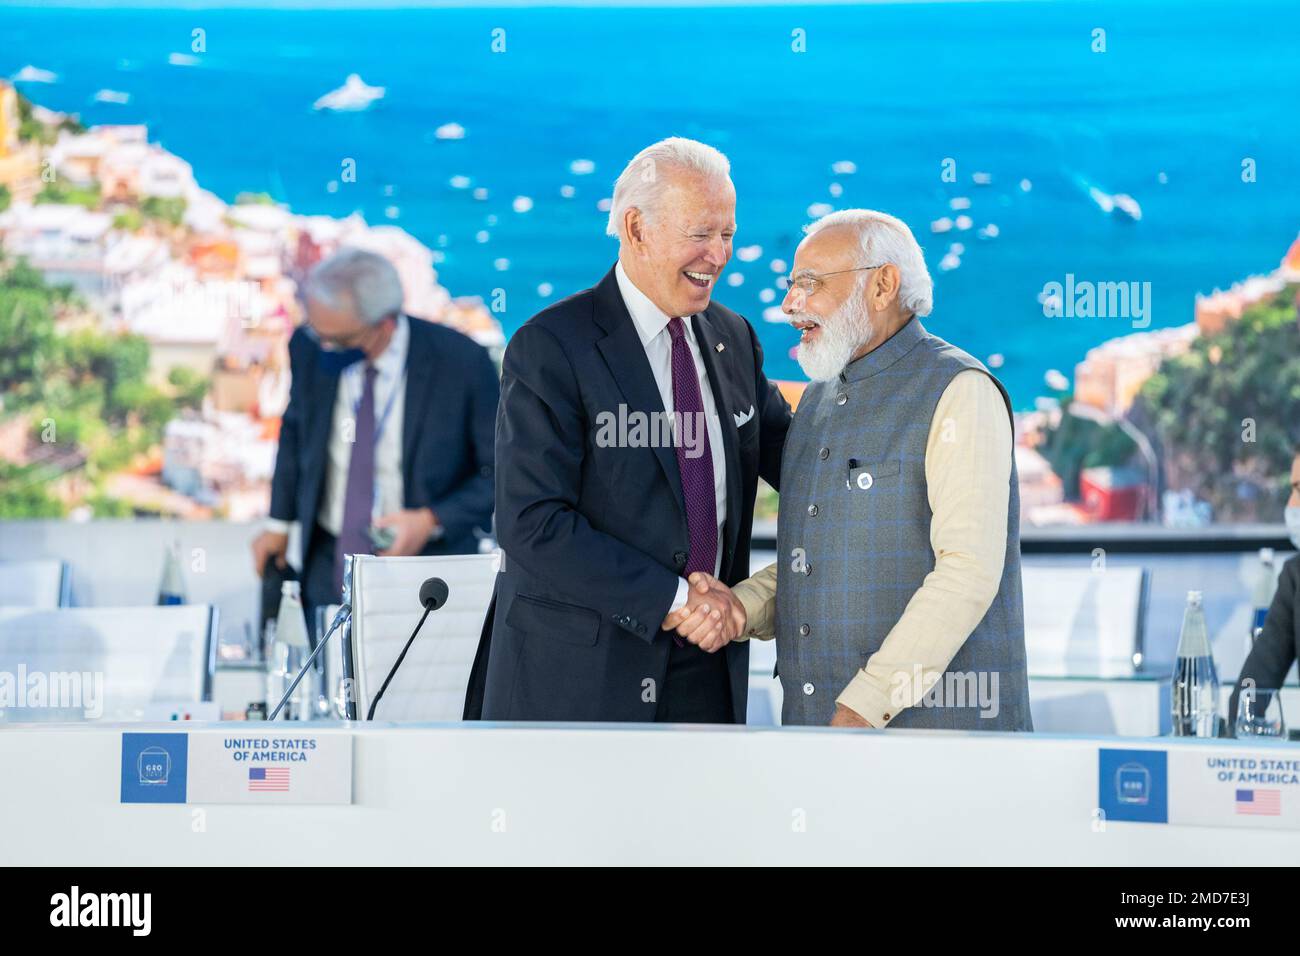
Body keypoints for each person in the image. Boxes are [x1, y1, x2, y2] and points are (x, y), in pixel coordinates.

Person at [464, 137, 791, 723]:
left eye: (728, 234)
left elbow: (795, 461)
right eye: (701, 234)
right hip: (579, 678)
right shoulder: (551, 347)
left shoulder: (733, 337)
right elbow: (532, 523)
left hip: (707, 666)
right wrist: (675, 601)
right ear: (636, 228)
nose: (718, 255)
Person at [669, 209, 1033, 731]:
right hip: (824, 740)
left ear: (884, 284)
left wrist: (866, 703)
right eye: (791, 285)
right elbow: (820, 560)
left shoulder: (960, 390)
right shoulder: (817, 399)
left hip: (940, 753)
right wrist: (740, 609)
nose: (789, 305)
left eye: (809, 284)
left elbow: (968, 573)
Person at [251, 247, 498, 634]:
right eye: (319, 334)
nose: (324, 348)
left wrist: (430, 521)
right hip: (327, 560)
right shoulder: (309, 345)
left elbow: (500, 474)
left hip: (428, 573)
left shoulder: (462, 363)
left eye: (339, 339)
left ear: (383, 325)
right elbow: (296, 431)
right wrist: (278, 524)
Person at [1229, 449, 1300, 727]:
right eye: (1292, 490)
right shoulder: (1294, 577)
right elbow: (1250, 692)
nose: (1292, 504)